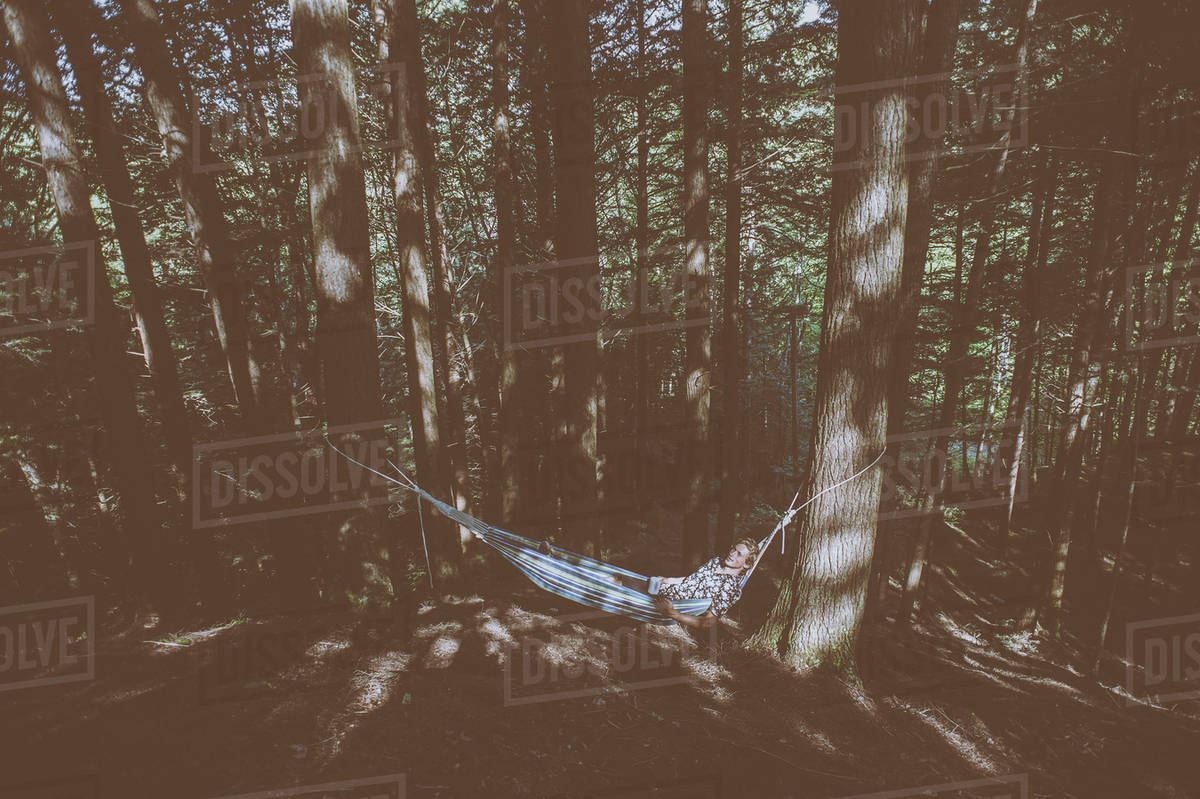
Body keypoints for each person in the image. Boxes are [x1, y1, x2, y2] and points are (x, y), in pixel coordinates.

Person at [610, 538, 760, 630]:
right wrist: (668, 580)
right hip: (663, 590)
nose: (732, 553)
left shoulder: (730, 589)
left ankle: (590, 596)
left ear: (747, 565)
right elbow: (692, 580)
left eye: (739, 554)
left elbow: (708, 623)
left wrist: (672, 613)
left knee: (615, 582)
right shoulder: (716, 562)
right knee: (614, 578)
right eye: (734, 548)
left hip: (668, 603)